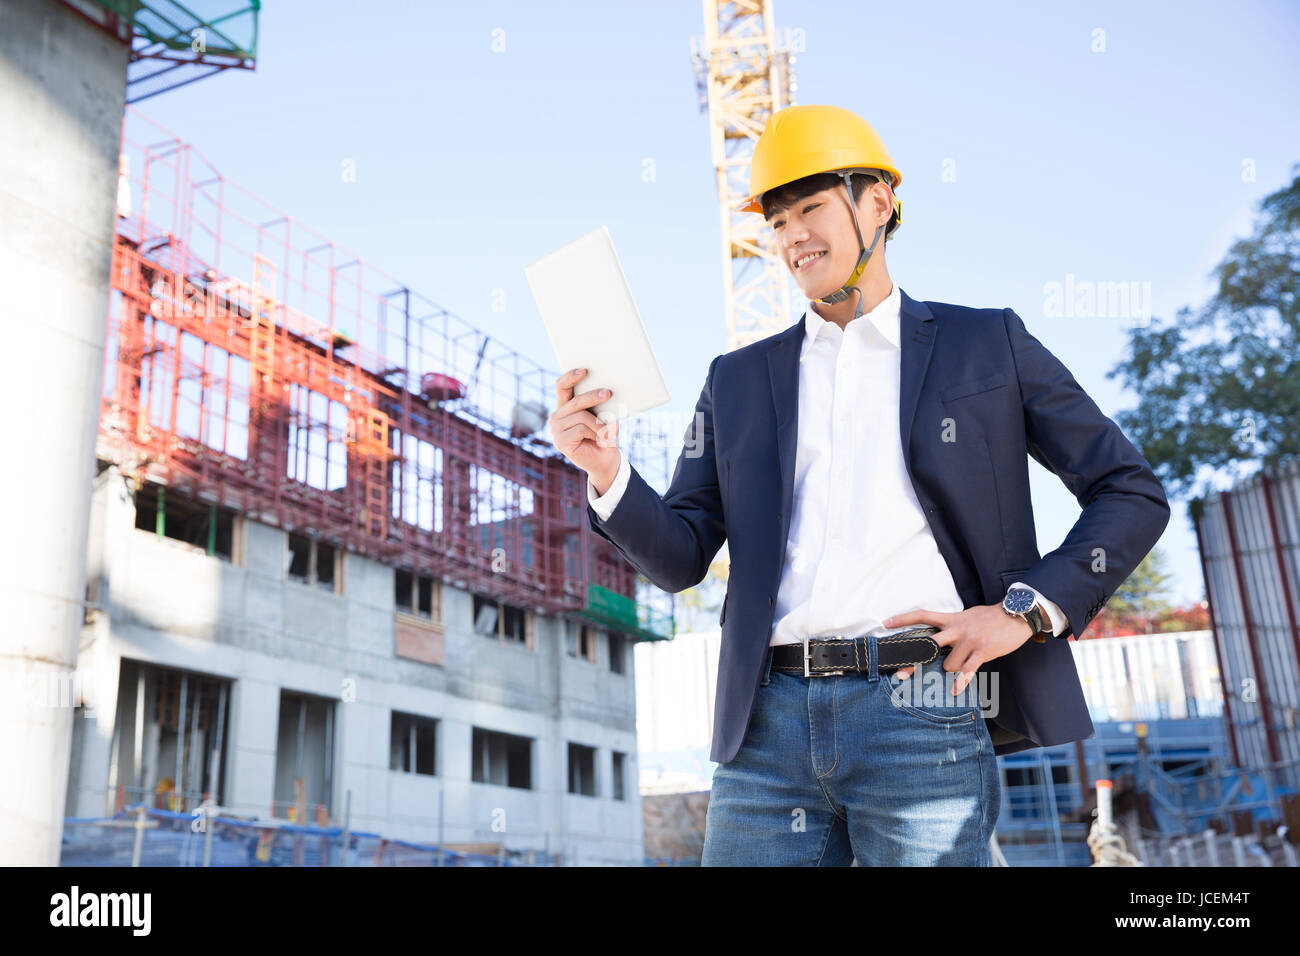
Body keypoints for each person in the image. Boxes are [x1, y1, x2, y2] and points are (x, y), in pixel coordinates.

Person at [547, 104, 1170, 866]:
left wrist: (1025, 613)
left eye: (810, 207)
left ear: (879, 202)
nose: (791, 237)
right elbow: (679, 557)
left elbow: (1129, 490)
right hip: (764, 729)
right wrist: (607, 472)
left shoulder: (986, 344)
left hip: (923, 707)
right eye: (776, 220)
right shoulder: (738, 380)